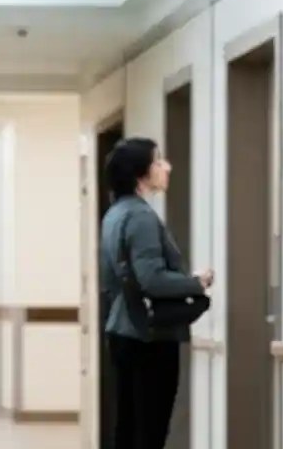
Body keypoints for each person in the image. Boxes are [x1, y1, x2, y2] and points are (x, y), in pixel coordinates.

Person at [99, 137, 213, 449]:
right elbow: (151, 279)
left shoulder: (114, 215)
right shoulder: (140, 216)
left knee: (128, 427)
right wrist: (196, 283)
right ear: (141, 174)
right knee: (150, 431)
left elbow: (122, 278)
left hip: (122, 331)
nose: (167, 166)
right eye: (158, 161)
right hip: (148, 338)